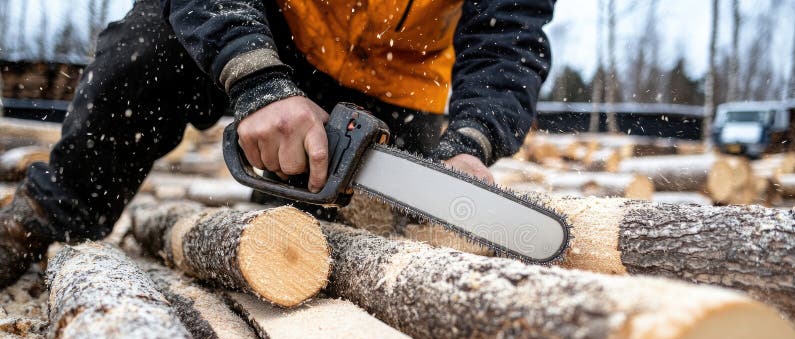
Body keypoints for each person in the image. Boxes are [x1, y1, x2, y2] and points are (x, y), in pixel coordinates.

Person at [0, 0, 555, 287]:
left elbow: (508, 37)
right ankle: (50, 212)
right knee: (148, 49)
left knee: (302, 248)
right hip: (274, 25)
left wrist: (471, 139)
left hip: (396, 81)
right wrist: (257, 79)